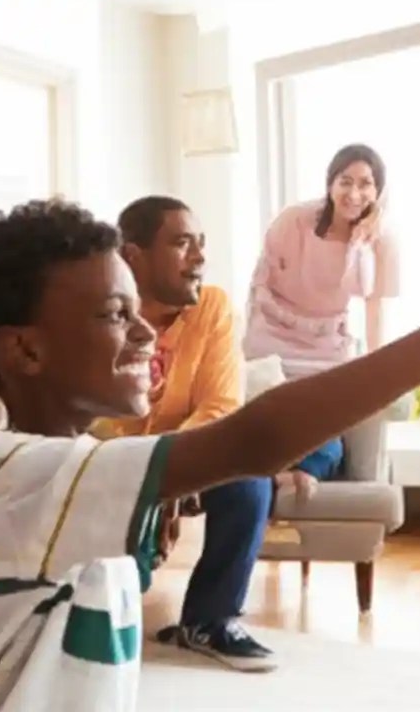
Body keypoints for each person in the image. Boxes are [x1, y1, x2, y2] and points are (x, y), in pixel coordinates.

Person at [0, 199, 420, 706]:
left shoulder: (59, 471)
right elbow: (256, 438)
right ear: (24, 350)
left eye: (137, 309)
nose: (144, 332)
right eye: (114, 314)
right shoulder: (27, 473)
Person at [91, 195, 274, 671]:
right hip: (111, 462)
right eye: (181, 244)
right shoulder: (99, 314)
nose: (199, 258)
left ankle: (209, 621)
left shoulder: (211, 307)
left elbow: (221, 404)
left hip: (191, 453)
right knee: (117, 600)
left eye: (201, 245)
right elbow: (92, 417)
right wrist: (153, 475)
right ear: (133, 256)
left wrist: (176, 473)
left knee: (249, 474)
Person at [244, 143, 397, 496]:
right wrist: (251, 358)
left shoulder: (381, 240)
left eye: (366, 184)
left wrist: (380, 366)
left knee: (329, 446)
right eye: (345, 181)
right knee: (269, 427)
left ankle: (293, 475)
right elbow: (258, 287)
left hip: (327, 350)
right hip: (272, 341)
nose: (354, 193)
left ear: (379, 191)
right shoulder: (293, 220)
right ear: (330, 184)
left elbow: (374, 308)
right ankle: (278, 475)